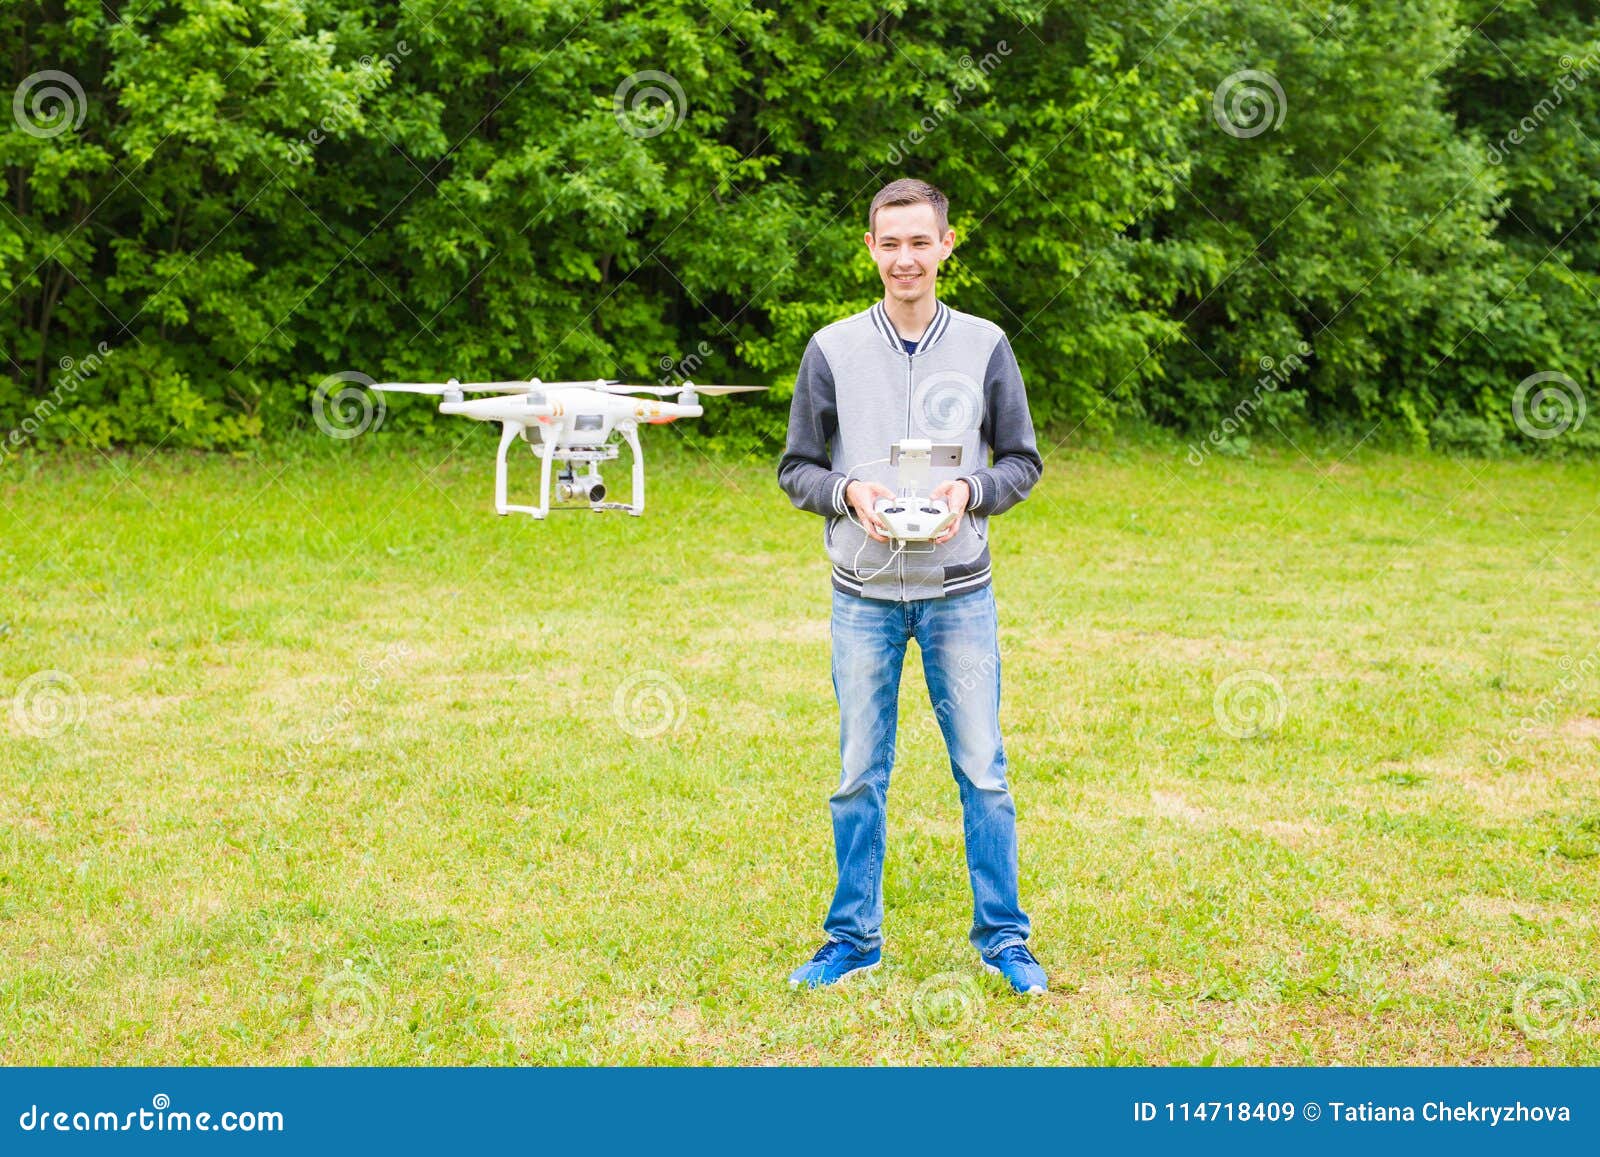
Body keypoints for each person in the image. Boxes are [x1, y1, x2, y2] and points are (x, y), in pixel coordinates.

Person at [776, 177, 1047, 995]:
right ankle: (852, 938)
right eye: (890, 243)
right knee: (858, 773)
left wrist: (971, 490)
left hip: (960, 593)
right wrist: (846, 493)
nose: (905, 258)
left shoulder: (987, 344)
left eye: (920, 242)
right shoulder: (830, 349)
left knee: (984, 770)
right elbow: (796, 468)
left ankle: (1004, 939)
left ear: (946, 245)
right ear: (870, 249)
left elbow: (1022, 461)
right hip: (863, 596)